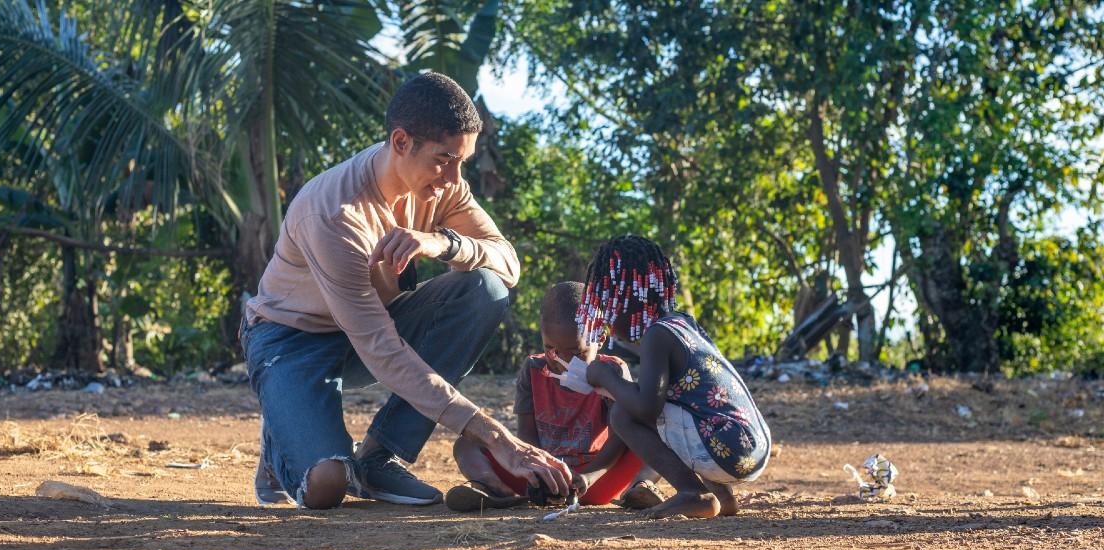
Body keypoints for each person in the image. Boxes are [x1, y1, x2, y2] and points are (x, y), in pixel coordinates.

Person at [240, 72, 572, 510]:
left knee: (484, 289)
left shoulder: (446, 187)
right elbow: (382, 349)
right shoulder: (335, 216)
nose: (454, 177)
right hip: (291, 339)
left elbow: (507, 265)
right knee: (326, 487)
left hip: (367, 331)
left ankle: (379, 456)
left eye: (462, 161)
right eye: (443, 159)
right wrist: (499, 438)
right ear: (400, 142)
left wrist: (444, 242)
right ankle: (283, 432)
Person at [579, 236, 772, 519]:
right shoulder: (683, 324)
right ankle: (722, 495)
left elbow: (646, 408)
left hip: (726, 450)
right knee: (688, 408)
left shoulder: (658, 335)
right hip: (752, 449)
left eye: (606, 307)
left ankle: (693, 493)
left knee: (623, 414)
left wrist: (604, 376)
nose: (605, 319)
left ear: (626, 300)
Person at [446, 282, 664, 512]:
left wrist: (588, 477)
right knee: (468, 442)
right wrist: (540, 475)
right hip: (539, 477)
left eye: (577, 353)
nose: (563, 362)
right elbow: (527, 435)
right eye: (551, 349)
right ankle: (495, 489)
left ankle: (640, 487)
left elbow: (622, 436)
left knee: (660, 429)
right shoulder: (533, 369)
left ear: (599, 338)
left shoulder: (613, 372)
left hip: (598, 479)